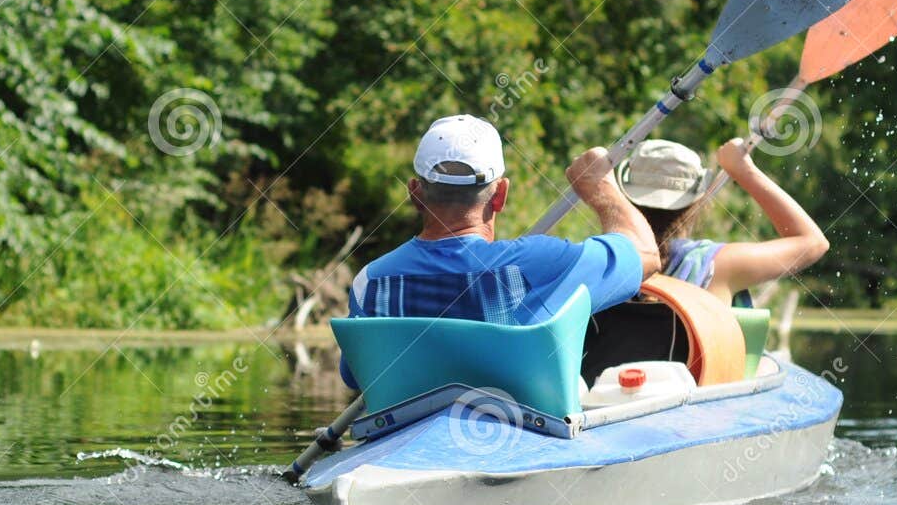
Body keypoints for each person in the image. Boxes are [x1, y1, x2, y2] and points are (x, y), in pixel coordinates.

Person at [341, 115, 659, 387]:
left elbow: (354, 377)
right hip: (516, 439)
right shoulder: (542, 264)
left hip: (402, 447)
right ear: (500, 195)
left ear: (415, 193)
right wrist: (598, 187)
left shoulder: (370, 283)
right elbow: (647, 254)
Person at [616, 137, 828, 307]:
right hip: (698, 362)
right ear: (697, 202)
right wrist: (744, 170)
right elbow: (813, 242)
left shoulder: (605, 259)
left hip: (619, 361)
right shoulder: (719, 264)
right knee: (768, 364)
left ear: (625, 195)